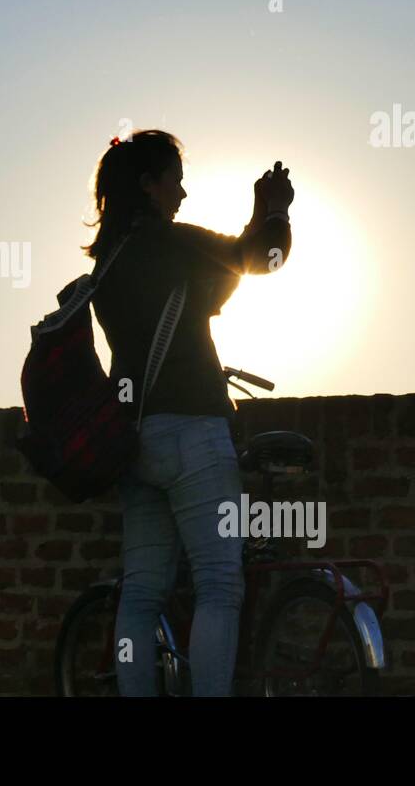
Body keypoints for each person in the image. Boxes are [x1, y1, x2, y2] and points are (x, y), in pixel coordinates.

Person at [87, 129, 293, 696]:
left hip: (136, 440)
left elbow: (222, 279)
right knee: (219, 584)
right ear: (148, 185)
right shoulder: (171, 243)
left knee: (141, 594)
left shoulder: (109, 261)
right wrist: (275, 209)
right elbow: (262, 258)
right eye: (174, 181)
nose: (182, 193)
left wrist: (254, 218)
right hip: (192, 433)